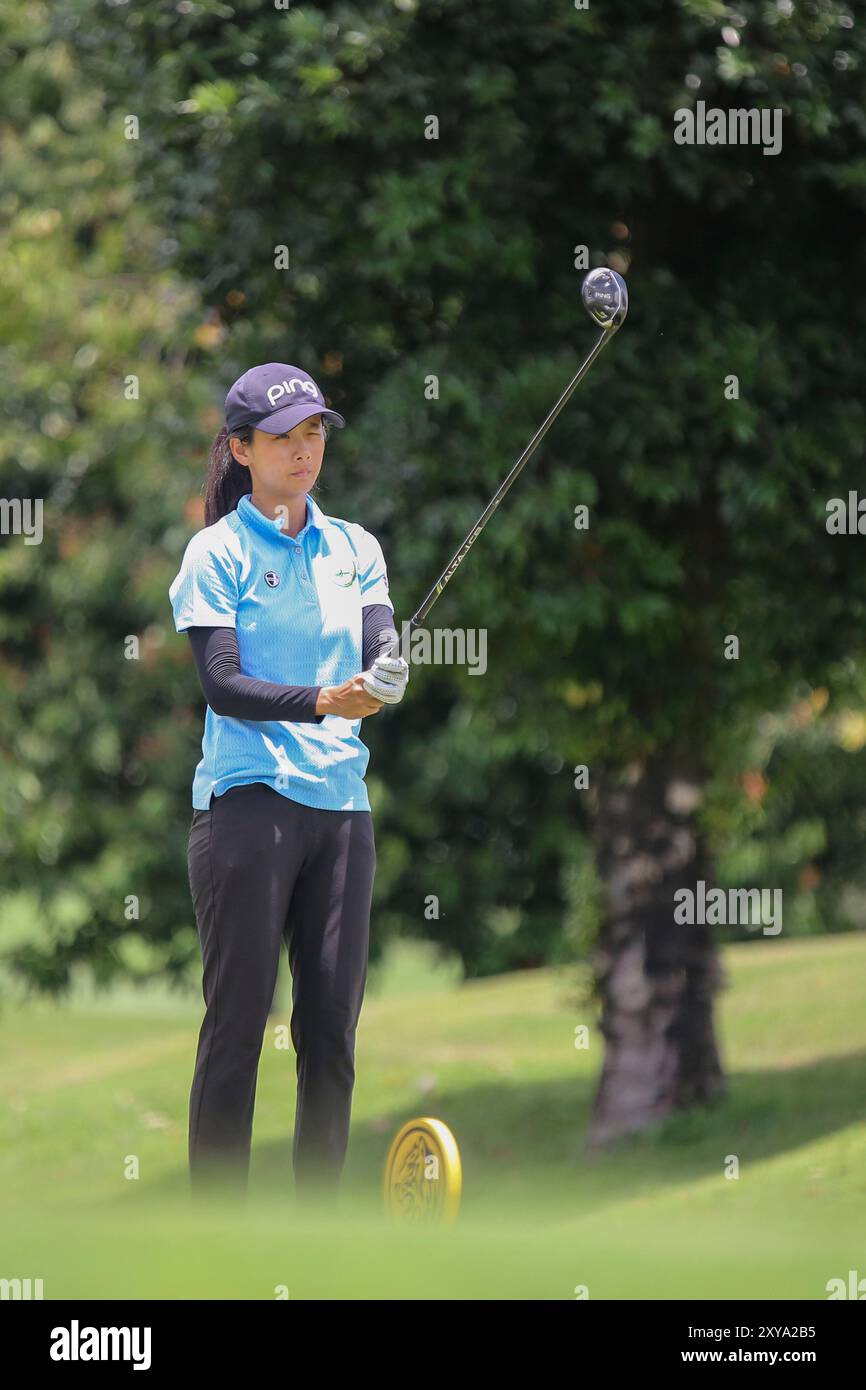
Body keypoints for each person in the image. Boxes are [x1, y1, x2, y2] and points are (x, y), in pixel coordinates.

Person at [168, 362, 408, 1204]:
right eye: (284, 438)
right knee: (238, 1025)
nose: (305, 451)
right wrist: (321, 700)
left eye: (315, 434)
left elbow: (380, 641)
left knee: (331, 1033)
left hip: (342, 809)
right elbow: (222, 683)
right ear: (242, 450)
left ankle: (316, 1237)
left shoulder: (356, 548)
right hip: (247, 804)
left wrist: (386, 673)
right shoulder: (217, 552)